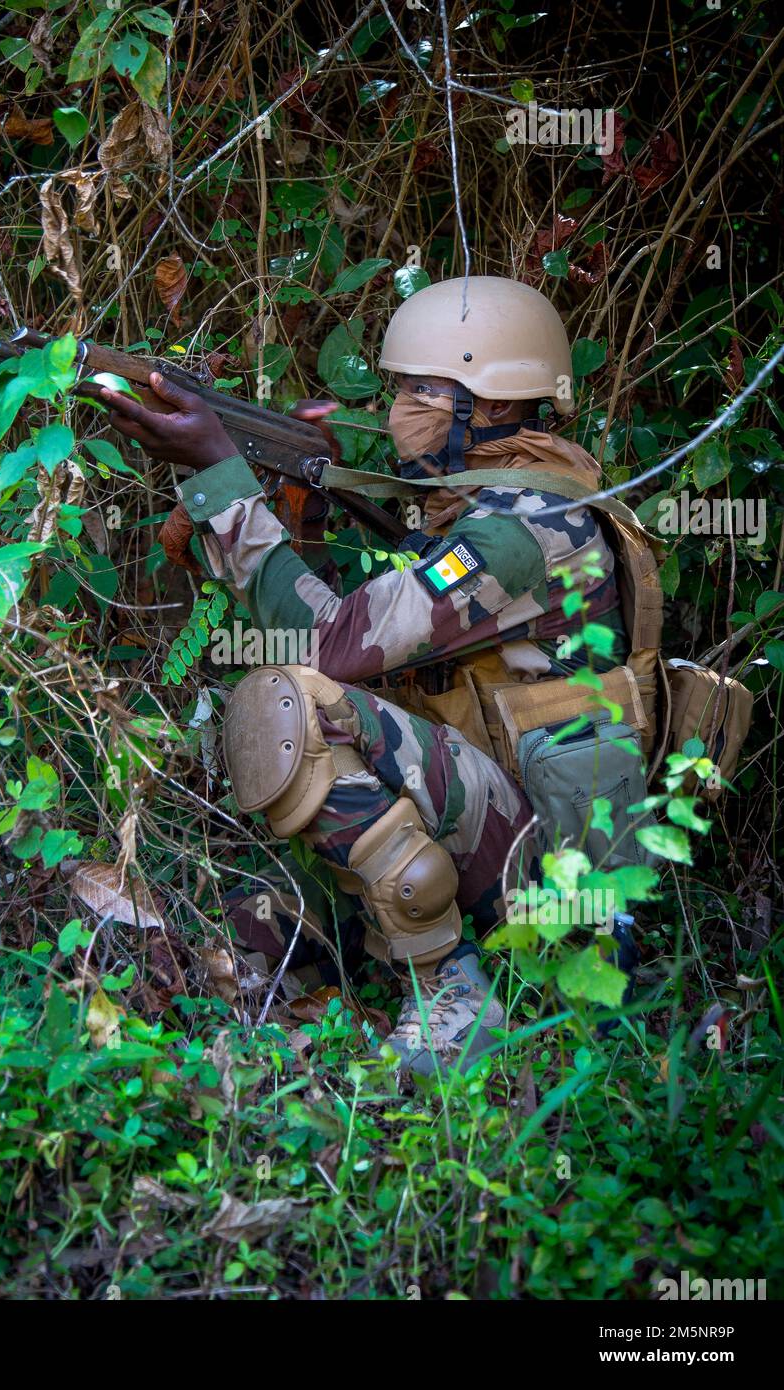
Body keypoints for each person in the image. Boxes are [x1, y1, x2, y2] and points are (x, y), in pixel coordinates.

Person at [98, 276, 661, 1076]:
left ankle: (457, 996)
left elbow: (327, 647)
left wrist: (219, 475)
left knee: (302, 705)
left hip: (557, 891)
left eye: (420, 389)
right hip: (507, 836)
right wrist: (303, 505)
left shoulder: (518, 533)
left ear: (489, 404)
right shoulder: (498, 501)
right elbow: (370, 626)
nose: (398, 405)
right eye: (398, 386)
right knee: (242, 936)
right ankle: (332, 969)